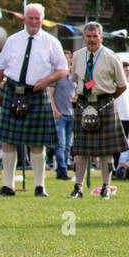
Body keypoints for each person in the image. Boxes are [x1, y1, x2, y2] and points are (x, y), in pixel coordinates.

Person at [0, 4, 68, 197]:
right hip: (12, 91)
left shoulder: (51, 42)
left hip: (36, 93)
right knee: (8, 141)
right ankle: (8, 186)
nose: (34, 22)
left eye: (37, 18)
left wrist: (47, 80)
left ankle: (40, 187)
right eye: (30, 18)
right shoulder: (12, 40)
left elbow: (63, 69)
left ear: (42, 20)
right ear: (24, 19)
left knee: (37, 143)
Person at [68, 23, 129, 200]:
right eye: (88, 36)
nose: (92, 40)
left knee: (106, 151)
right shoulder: (78, 56)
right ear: (83, 38)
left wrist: (108, 100)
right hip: (83, 104)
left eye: (95, 36)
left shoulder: (111, 57)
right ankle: (78, 187)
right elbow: (75, 80)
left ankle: (105, 187)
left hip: (105, 103)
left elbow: (122, 85)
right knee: (80, 150)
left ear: (101, 37)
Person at [50, 50, 75, 181]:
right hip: (59, 115)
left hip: (71, 114)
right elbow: (50, 93)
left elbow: (80, 91)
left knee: (68, 145)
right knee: (61, 144)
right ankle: (61, 170)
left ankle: (64, 168)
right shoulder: (57, 75)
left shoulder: (74, 76)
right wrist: (54, 110)